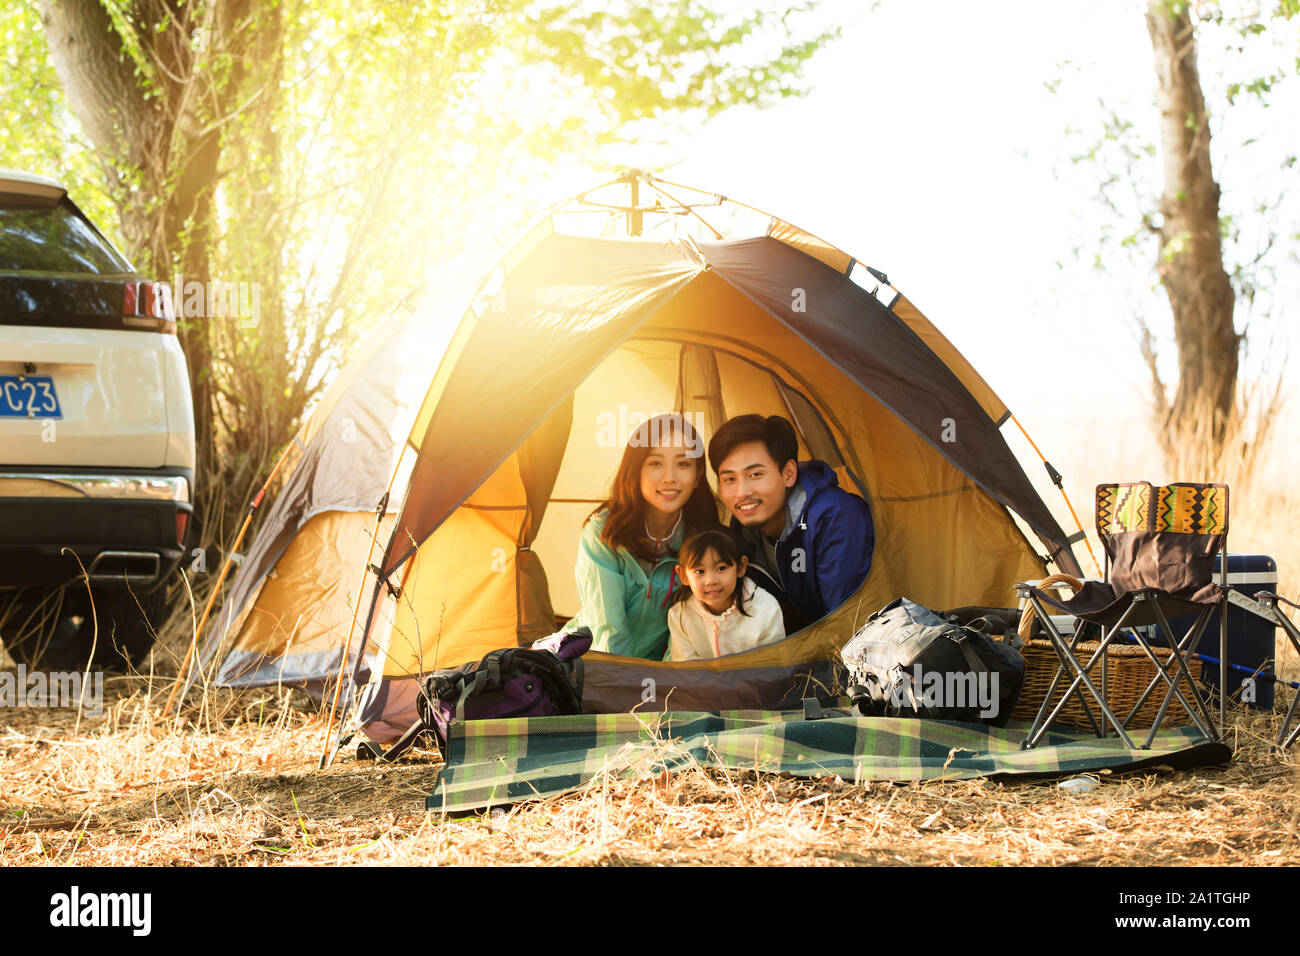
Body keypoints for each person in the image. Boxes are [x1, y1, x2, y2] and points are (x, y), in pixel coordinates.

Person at [566, 413, 721, 660]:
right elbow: (609, 630)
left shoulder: (703, 542)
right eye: (655, 463)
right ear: (636, 470)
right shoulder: (603, 532)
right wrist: (619, 690)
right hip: (590, 664)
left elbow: (686, 635)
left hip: (655, 675)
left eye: (683, 464)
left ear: (698, 475)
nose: (669, 477)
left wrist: (664, 689)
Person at [708, 414, 874, 626]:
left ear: (788, 473)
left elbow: (847, 625)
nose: (741, 493)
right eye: (729, 479)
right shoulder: (741, 530)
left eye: (755, 475)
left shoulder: (835, 518)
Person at [666, 528, 785, 661]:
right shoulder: (680, 615)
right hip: (700, 682)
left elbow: (772, 666)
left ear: (740, 567)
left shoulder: (765, 609)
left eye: (721, 568)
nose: (710, 581)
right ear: (683, 575)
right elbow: (687, 669)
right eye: (699, 571)